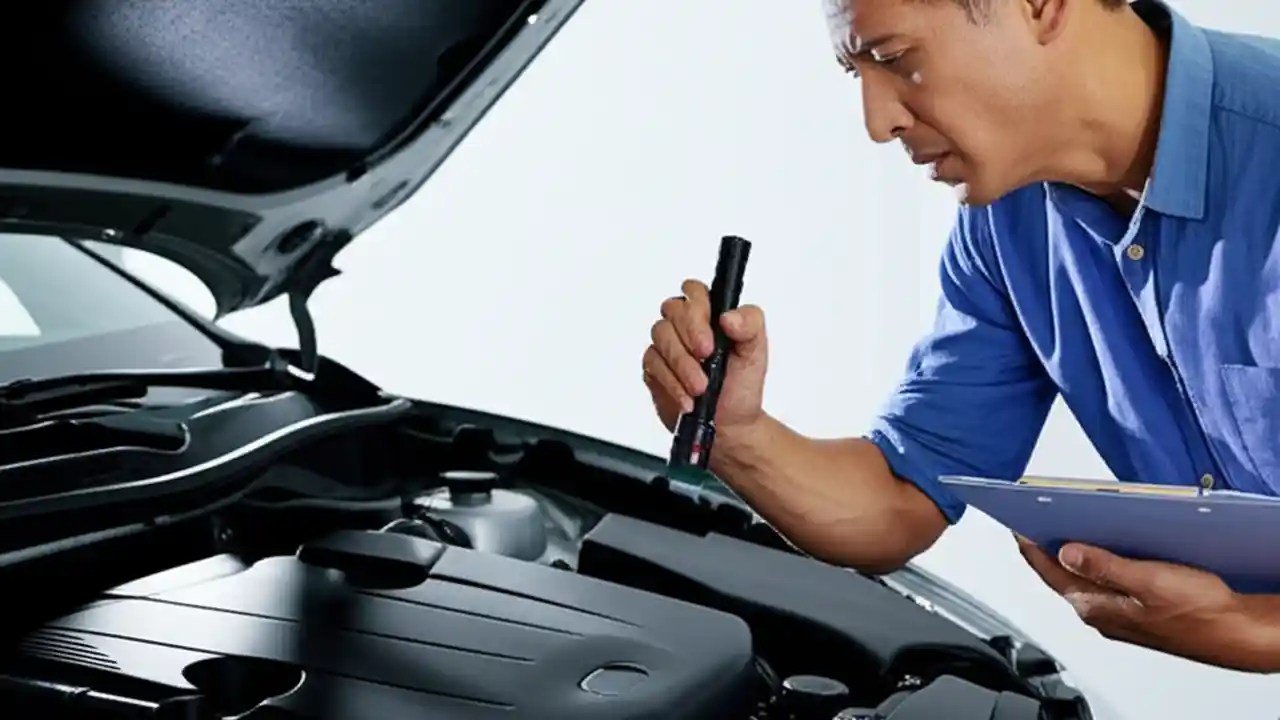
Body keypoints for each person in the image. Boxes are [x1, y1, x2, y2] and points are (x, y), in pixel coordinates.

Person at [642, 0, 1280, 672]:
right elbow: (902, 497)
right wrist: (738, 436)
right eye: (856, 72)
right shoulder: (1007, 221)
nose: (877, 123)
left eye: (894, 59)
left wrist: (1255, 632)